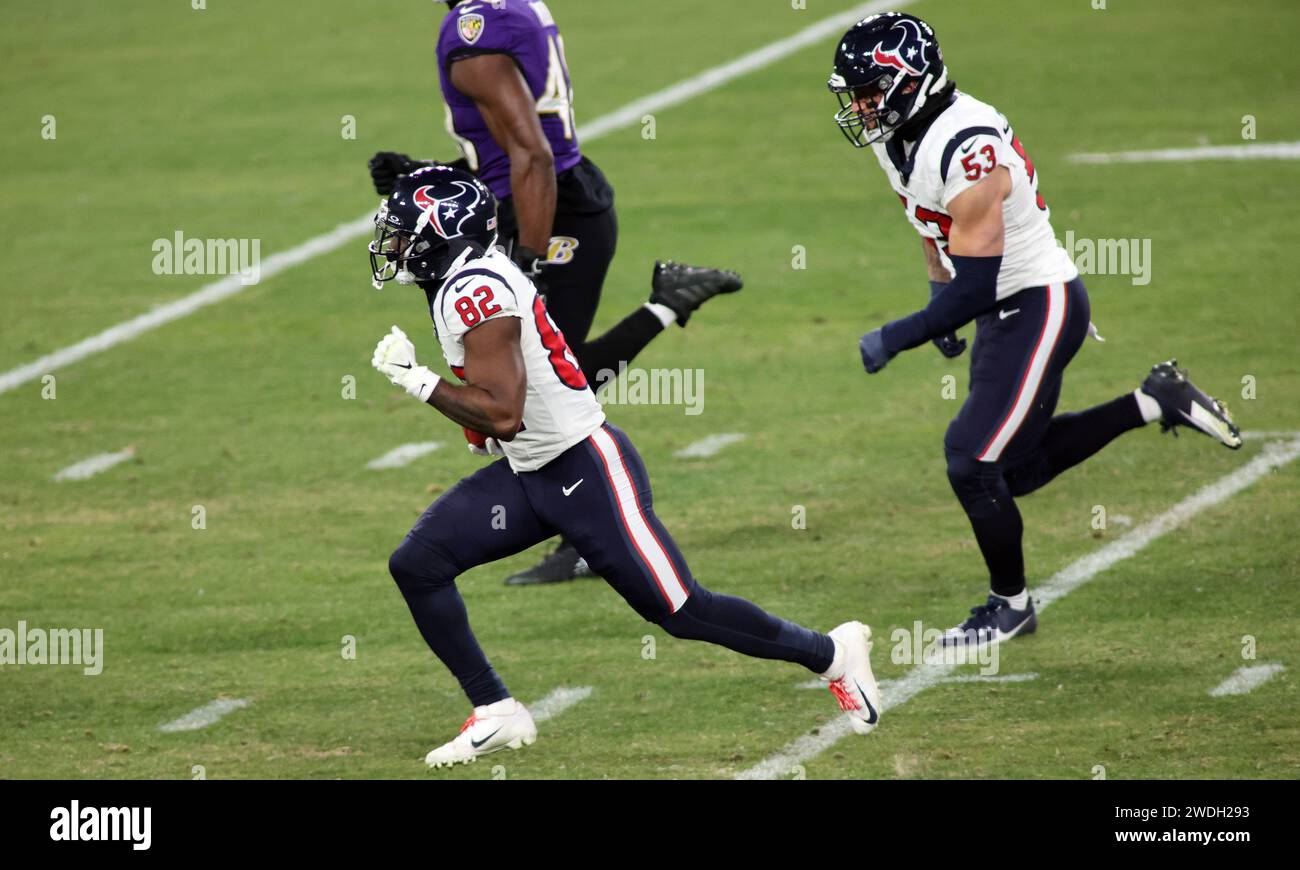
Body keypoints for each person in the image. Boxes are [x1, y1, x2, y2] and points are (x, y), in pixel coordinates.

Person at [366, 166, 880, 767]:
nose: (394, 245)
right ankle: (495, 710)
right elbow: (502, 409)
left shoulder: (474, 287)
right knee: (418, 563)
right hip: (531, 473)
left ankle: (832, 653)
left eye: (403, 232)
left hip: (585, 470)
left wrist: (418, 380)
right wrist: (474, 425)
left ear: (438, 233)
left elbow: (503, 411)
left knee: (684, 611)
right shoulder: (461, 279)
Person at [831, 12, 1242, 646]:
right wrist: (935, 293)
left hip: (1038, 300)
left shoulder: (968, 143)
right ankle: (1153, 399)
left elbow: (978, 283)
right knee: (1009, 471)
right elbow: (930, 224)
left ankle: (1011, 606)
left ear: (910, 81)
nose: (860, 107)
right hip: (1000, 303)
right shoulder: (901, 137)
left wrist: (900, 334)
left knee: (971, 460)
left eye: (868, 91)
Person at [368, 0, 743, 586]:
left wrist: (521, 266)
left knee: (546, 381)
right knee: (554, 372)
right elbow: (510, 149)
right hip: (549, 202)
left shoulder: (472, 29)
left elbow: (532, 154)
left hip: (549, 211)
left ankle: (590, 538)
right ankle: (669, 301)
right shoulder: (509, 10)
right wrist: (432, 172)